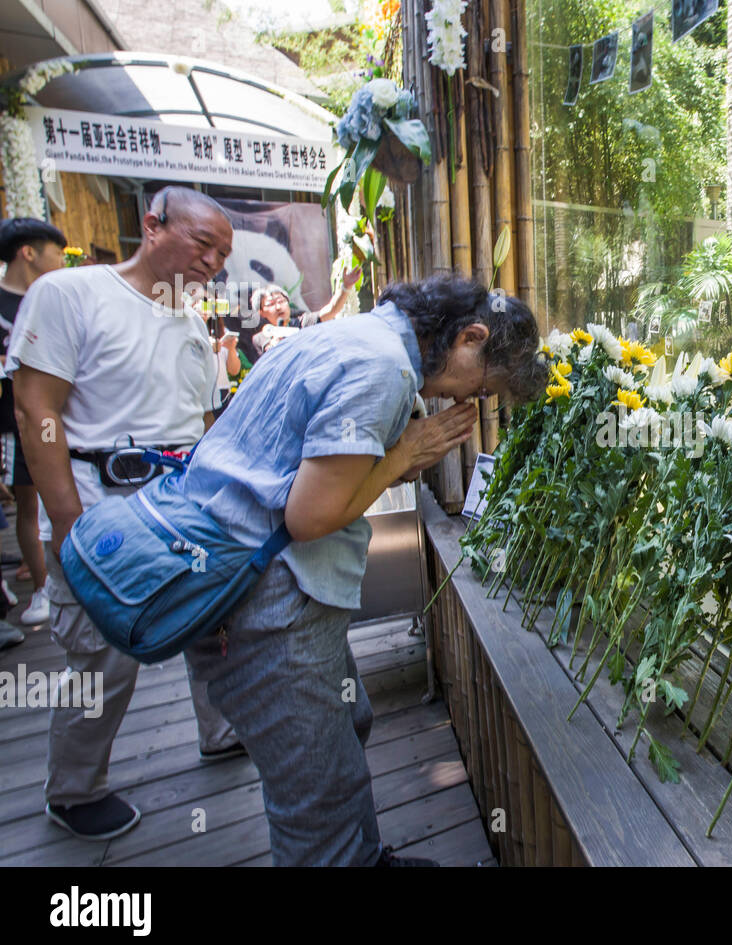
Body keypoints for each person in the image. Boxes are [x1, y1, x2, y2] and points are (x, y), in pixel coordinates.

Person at [181, 273, 547, 866]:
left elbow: (310, 473)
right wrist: (408, 454)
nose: (472, 402)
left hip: (262, 588)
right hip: (266, 602)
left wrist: (398, 458)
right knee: (313, 788)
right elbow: (309, 516)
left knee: (343, 729)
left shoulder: (351, 337)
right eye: (485, 386)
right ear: (471, 337)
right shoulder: (381, 368)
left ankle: (365, 858)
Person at [6, 187, 247, 841]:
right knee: (101, 656)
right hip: (101, 501)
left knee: (211, 626)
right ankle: (75, 790)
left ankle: (222, 731)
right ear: (152, 225)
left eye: (222, 254)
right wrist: (68, 522)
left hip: (183, 501)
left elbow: (205, 422)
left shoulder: (192, 320)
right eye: (204, 244)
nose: (213, 262)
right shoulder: (70, 295)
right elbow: (37, 409)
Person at [0, 218, 66, 635]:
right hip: (11, 423)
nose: (61, 261)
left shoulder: (53, 299)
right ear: (28, 252)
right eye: (57, 252)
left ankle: (64, 579)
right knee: (27, 502)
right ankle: (42, 586)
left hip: (54, 420)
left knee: (56, 492)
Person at [247, 267, 363, 358]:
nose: (278, 307)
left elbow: (331, 310)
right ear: (261, 312)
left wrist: (346, 287)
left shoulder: (303, 323)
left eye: (281, 301)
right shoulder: (260, 338)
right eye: (271, 304)